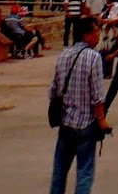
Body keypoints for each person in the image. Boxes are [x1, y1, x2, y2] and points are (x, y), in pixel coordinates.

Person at [47, 16, 110, 194]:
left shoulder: (63, 55)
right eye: (96, 31)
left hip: (66, 123)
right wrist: (102, 120)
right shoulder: (94, 57)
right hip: (85, 124)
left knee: (59, 171)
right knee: (84, 172)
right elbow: (97, 96)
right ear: (86, 35)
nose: (98, 35)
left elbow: (53, 90)